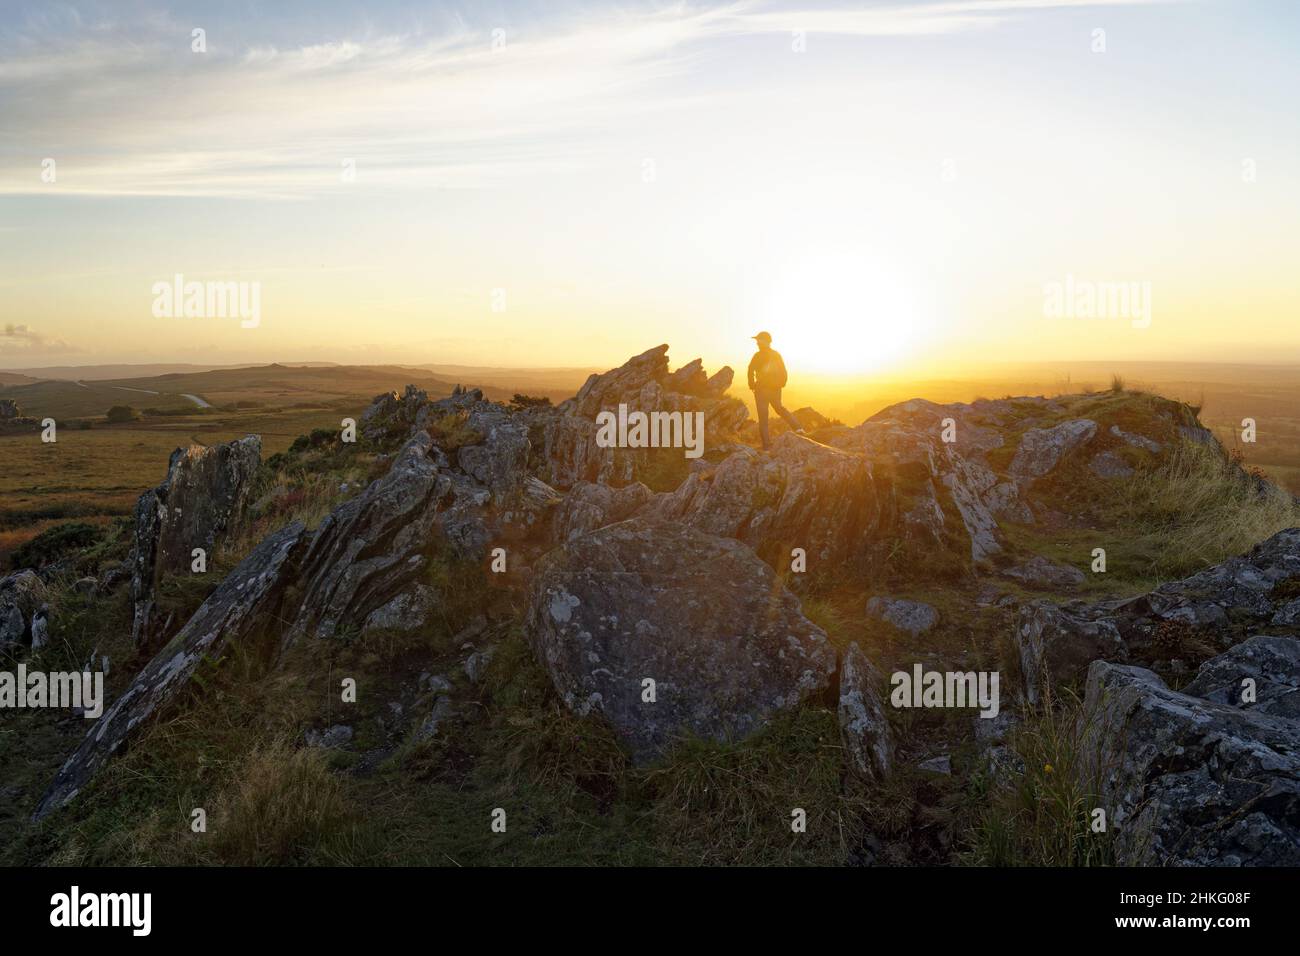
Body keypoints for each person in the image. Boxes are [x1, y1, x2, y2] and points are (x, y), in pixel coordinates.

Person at [747, 331, 804, 450]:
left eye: (759, 340)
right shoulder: (776, 354)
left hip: (762, 390)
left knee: (763, 418)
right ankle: (798, 428)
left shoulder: (758, 356)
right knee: (780, 409)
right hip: (774, 389)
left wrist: (752, 384)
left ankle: (767, 446)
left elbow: (750, 370)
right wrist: (781, 384)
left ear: (766, 341)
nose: (757, 342)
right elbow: (783, 371)